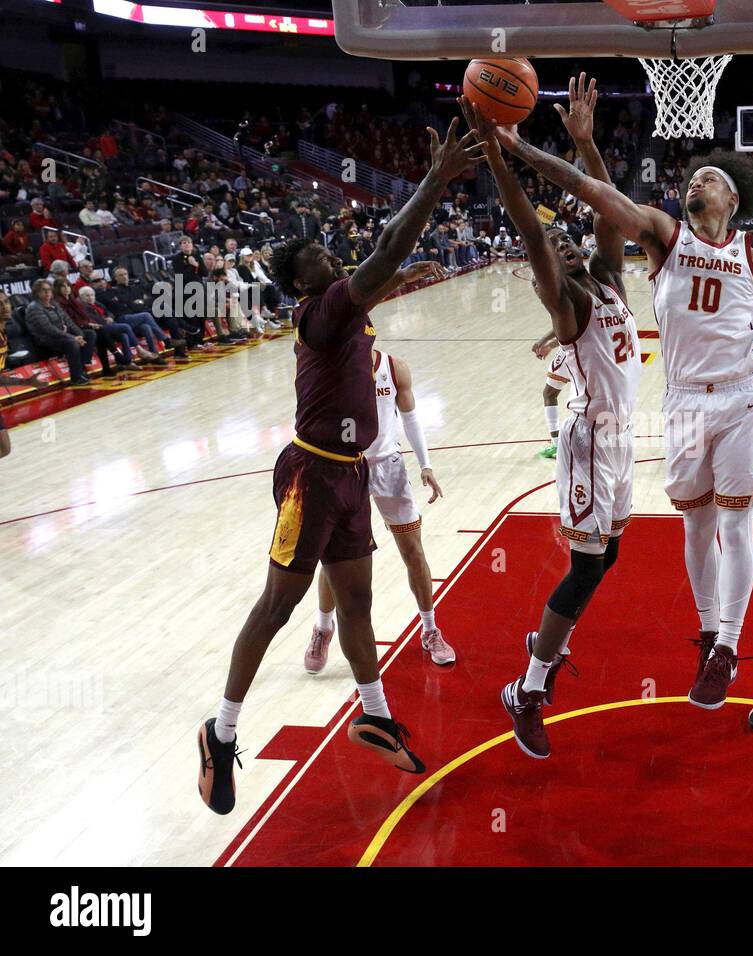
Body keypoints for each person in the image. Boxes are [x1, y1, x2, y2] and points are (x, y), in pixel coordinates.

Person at [487, 76, 753, 709]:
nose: (693, 181)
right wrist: (529, 150)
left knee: (737, 524)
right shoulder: (661, 233)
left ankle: (728, 647)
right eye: (692, 177)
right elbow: (598, 195)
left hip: (739, 395)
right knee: (696, 527)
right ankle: (709, 634)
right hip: (680, 401)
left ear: (731, 197)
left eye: (706, 177)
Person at [196, 117, 483, 815]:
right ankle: (220, 730)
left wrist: (395, 279)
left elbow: (377, 275)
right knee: (279, 604)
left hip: (352, 475)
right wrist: (435, 180)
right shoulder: (321, 310)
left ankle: (373, 712)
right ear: (303, 280)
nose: (334, 260)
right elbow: (384, 249)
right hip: (311, 477)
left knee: (358, 600)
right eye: (322, 259)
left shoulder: (344, 311)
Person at [466, 82, 640, 758]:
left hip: (621, 443)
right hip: (590, 442)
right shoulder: (567, 305)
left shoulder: (608, 279)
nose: (565, 244)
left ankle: (544, 645)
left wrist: (588, 143)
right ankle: (529, 687)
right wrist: (501, 160)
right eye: (557, 246)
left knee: (610, 557)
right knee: (587, 568)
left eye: (571, 239)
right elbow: (532, 232)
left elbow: (608, 209)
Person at [306, 344, 456, 672]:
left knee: (414, 552)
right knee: (335, 559)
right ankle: (323, 627)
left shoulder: (394, 367)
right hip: (347, 468)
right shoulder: (332, 367)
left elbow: (411, 418)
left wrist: (426, 465)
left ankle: (430, 630)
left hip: (389, 466)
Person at [24, 279, 95, 386]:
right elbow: (48, 329)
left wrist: (79, 334)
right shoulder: (34, 307)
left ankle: (81, 367)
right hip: (45, 339)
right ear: (37, 293)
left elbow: (69, 321)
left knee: (90, 334)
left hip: (62, 335)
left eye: (49, 290)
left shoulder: (54, 304)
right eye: (43, 290)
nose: (47, 292)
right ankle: (76, 378)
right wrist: (73, 337)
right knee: (71, 342)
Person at [533, 329, 567, 459]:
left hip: (572, 352)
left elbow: (569, 329)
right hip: (598, 352)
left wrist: (544, 342)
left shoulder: (578, 308)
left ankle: (557, 445)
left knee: (549, 394)